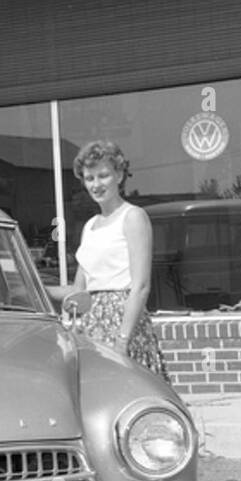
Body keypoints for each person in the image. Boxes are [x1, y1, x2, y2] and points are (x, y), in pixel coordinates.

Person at [62, 139, 169, 381]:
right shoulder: (89, 226)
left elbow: (140, 286)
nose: (96, 185)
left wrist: (123, 340)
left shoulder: (132, 217)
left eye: (103, 176)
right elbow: (79, 290)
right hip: (91, 327)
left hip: (123, 323)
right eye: (89, 179)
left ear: (119, 175)